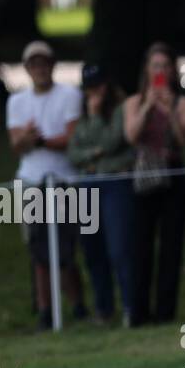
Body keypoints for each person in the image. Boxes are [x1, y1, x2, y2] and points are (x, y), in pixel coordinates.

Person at [6, 40, 86, 330]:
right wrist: (29, 139)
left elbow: (71, 138)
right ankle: (45, 309)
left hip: (65, 179)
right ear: (27, 69)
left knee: (64, 248)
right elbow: (16, 144)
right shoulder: (16, 102)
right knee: (38, 249)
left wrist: (39, 141)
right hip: (30, 181)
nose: (39, 69)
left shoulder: (70, 95)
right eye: (33, 64)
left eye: (44, 63)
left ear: (52, 65)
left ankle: (77, 303)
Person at [123, 41, 185, 326]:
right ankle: (138, 311)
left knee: (171, 245)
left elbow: (183, 140)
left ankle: (165, 312)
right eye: (155, 66)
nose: (160, 71)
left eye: (165, 66)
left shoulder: (181, 102)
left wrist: (169, 109)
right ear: (147, 71)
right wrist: (149, 104)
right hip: (143, 175)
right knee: (140, 244)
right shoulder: (133, 102)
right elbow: (131, 136)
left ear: (173, 71)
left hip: (173, 174)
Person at [68, 63, 137, 325]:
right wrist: (95, 155)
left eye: (97, 87)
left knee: (119, 249)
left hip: (116, 184)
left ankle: (130, 306)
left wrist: (96, 118)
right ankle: (104, 309)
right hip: (88, 187)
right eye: (89, 89)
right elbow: (73, 154)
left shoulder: (119, 111)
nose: (93, 94)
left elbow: (113, 141)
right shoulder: (82, 117)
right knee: (93, 251)